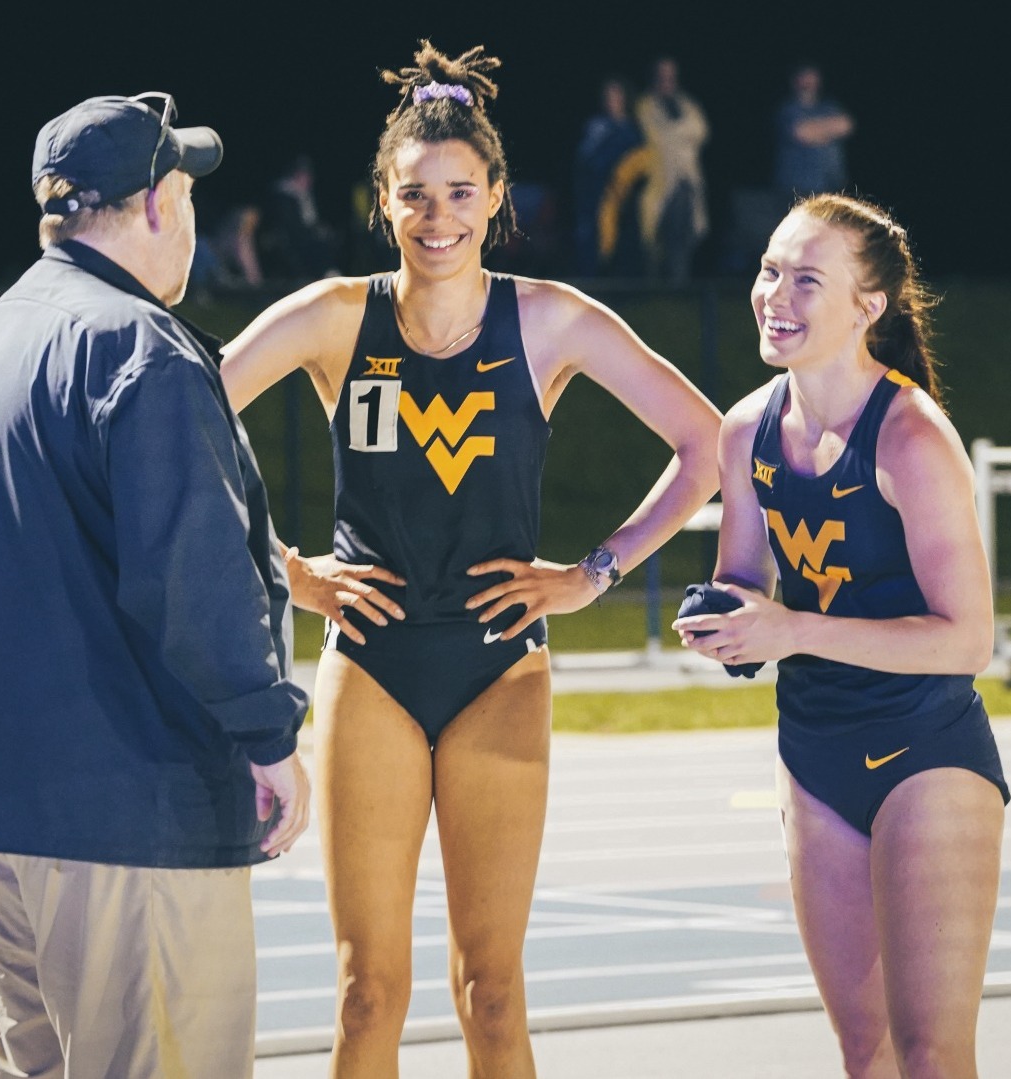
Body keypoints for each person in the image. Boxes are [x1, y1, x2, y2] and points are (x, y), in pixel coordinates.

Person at [219, 43, 721, 1077]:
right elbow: (181, 430)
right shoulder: (331, 316)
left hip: (500, 668)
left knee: (490, 991)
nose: (436, 216)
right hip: (372, 667)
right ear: (383, 199)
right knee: (368, 997)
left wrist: (593, 572)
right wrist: (287, 569)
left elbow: (704, 444)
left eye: (458, 192)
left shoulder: (548, 320)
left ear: (495, 196)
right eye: (414, 195)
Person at [0, 91, 311, 1079]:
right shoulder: (141, 348)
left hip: (1, 802)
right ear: (151, 203)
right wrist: (267, 736)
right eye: (184, 192)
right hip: (129, 803)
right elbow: (194, 572)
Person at [673, 194, 1007, 1079]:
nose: (774, 293)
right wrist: (728, 618)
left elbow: (966, 639)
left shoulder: (910, 438)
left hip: (925, 749)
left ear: (868, 307)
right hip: (813, 748)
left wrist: (789, 627)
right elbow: (744, 574)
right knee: (866, 1053)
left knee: (932, 1056)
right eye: (769, 269)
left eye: (806, 279)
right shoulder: (745, 429)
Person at [635, 56, 710, 283]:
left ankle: (678, 288)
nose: (667, 79)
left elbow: (701, 130)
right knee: (655, 239)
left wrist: (674, 133)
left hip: (688, 182)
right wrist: (682, 134)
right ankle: (655, 289)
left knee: (685, 238)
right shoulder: (646, 105)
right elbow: (656, 137)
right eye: (662, 74)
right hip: (658, 182)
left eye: (671, 74)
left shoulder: (686, 104)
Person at [573, 76, 642, 276]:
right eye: (608, 95)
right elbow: (583, 159)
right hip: (592, 194)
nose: (611, 99)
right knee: (589, 239)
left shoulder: (632, 130)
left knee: (619, 242)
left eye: (616, 94)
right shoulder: (595, 127)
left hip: (620, 197)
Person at [773, 65, 853, 206]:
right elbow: (802, 133)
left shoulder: (829, 106)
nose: (808, 82)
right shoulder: (788, 109)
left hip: (831, 187)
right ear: (795, 81)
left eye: (812, 77)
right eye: (804, 77)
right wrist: (828, 130)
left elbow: (846, 125)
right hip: (797, 191)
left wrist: (817, 130)